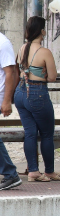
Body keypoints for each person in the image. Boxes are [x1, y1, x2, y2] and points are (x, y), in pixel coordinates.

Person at [14, 16, 59, 182]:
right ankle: (49, 171)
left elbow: (18, 70)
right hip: (37, 93)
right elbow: (53, 77)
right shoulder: (44, 52)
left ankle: (33, 171)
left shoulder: (22, 48)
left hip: (20, 93)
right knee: (47, 134)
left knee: (30, 133)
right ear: (42, 31)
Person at [0, 28, 21, 190]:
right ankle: (9, 173)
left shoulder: (3, 43)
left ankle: (10, 174)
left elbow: (11, 73)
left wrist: (7, 101)